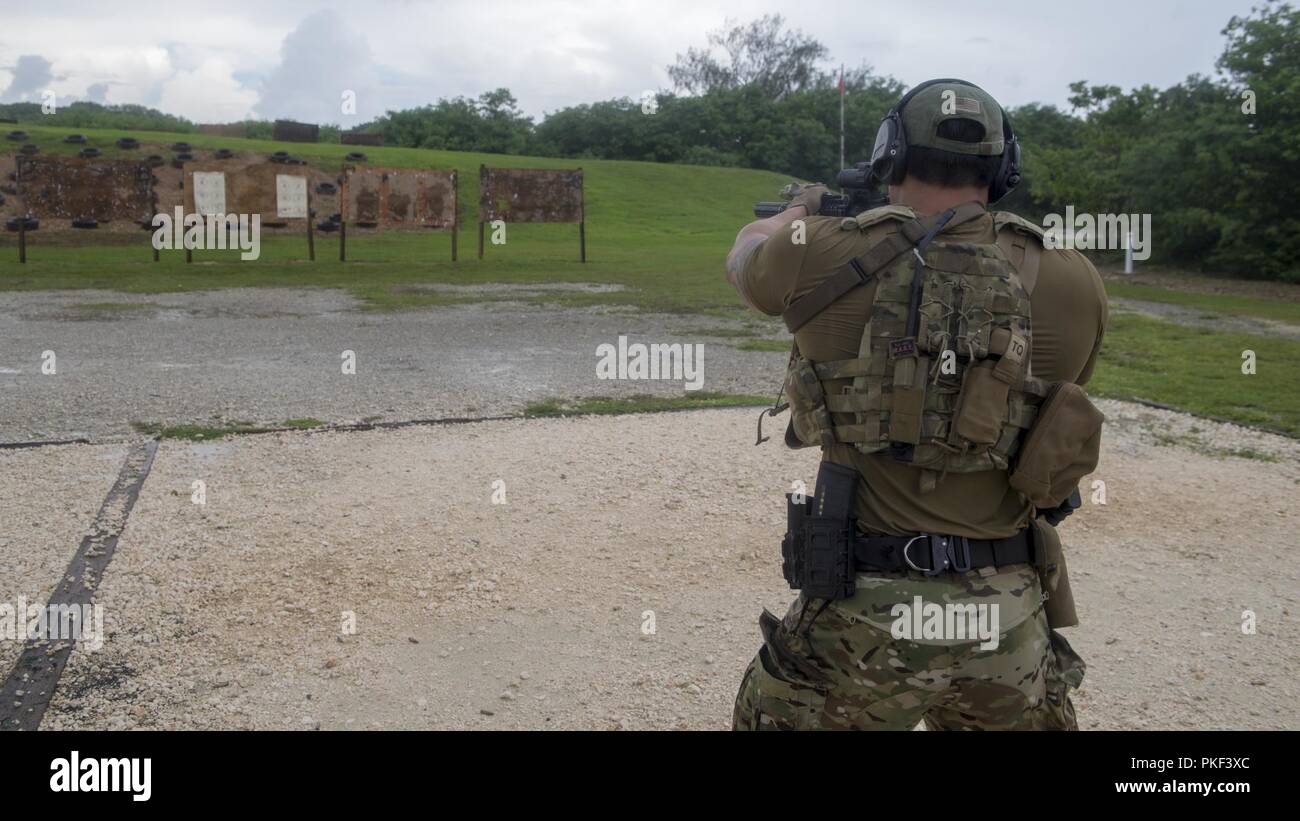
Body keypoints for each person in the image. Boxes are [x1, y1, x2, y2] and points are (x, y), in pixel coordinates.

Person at [726, 79, 1107, 730]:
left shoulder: (817, 249)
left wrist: (804, 206)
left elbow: (743, 256)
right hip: (1006, 617)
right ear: (1002, 167)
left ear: (890, 155)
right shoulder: (1073, 278)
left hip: (861, 618)